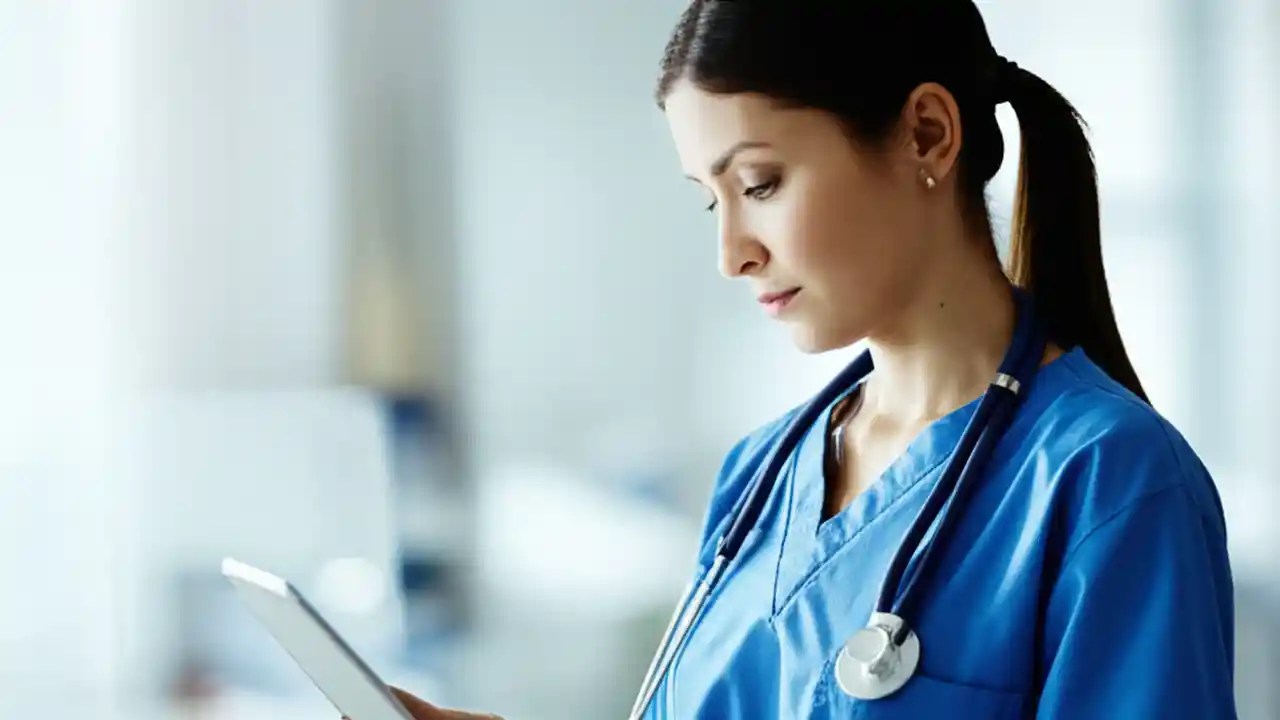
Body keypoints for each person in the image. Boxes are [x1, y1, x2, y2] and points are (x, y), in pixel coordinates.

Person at [387, 0, 1237, 717]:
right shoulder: (762, 474)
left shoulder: (1112, 484)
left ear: (928, 135)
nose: (732, 252)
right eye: (709, 200)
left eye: (759, 185)